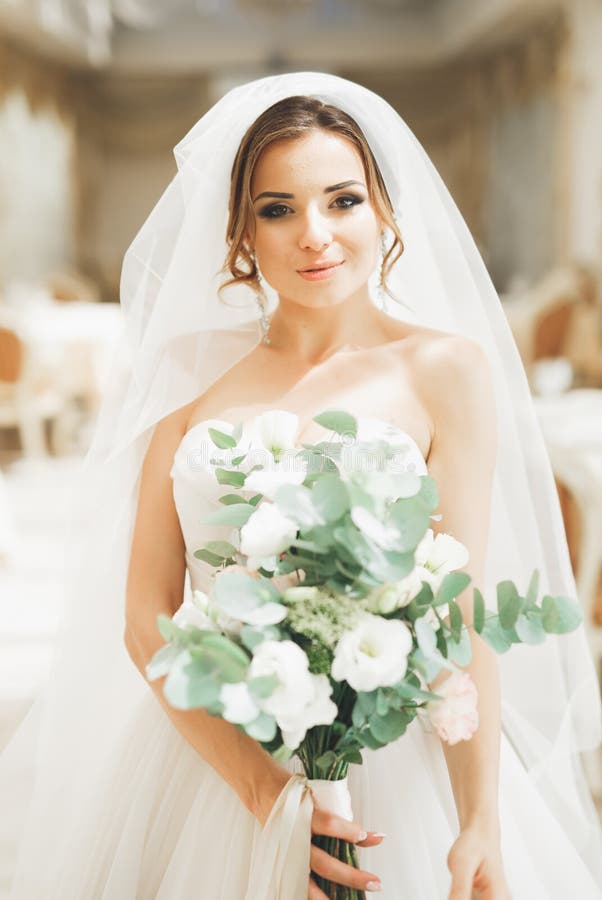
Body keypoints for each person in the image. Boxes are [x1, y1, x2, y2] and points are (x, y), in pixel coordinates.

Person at [1, 72, 601, 900]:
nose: (314, 235)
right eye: (276, 209)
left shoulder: (446, 371)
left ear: (386, 210)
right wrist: (265, 791)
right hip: (213, 758)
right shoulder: (183, 373)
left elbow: (462, 616)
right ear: (241, 234)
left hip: (391, 762)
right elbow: (146, 619)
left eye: (343, 200)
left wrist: (479, 818)